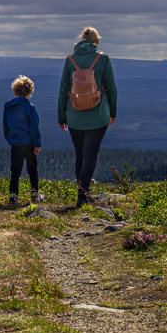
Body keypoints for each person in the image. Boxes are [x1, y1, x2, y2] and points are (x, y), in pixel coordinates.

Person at [57, 27, 117, 207]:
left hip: (74, 115)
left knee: (80, 155)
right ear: (96, 41)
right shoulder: (103, 59)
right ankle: (82, 196)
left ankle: (83, 194)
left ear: (81, 40)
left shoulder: (70, 60)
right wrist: (112, 113)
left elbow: (63, 91)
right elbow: (112, 89)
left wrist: (62, 117)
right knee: (90, 156)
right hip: (98, 116)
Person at [3, 75, 42, 207]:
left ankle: (13, 198)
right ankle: (35, 196)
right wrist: (37, 144)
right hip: (29, 143)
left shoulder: (8, 107)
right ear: (29, 91)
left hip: (15, 143)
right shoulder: (30, 107)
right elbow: (34, 127)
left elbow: (6, 126)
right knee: (32, 170)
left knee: (15, 171)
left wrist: (10, 139)